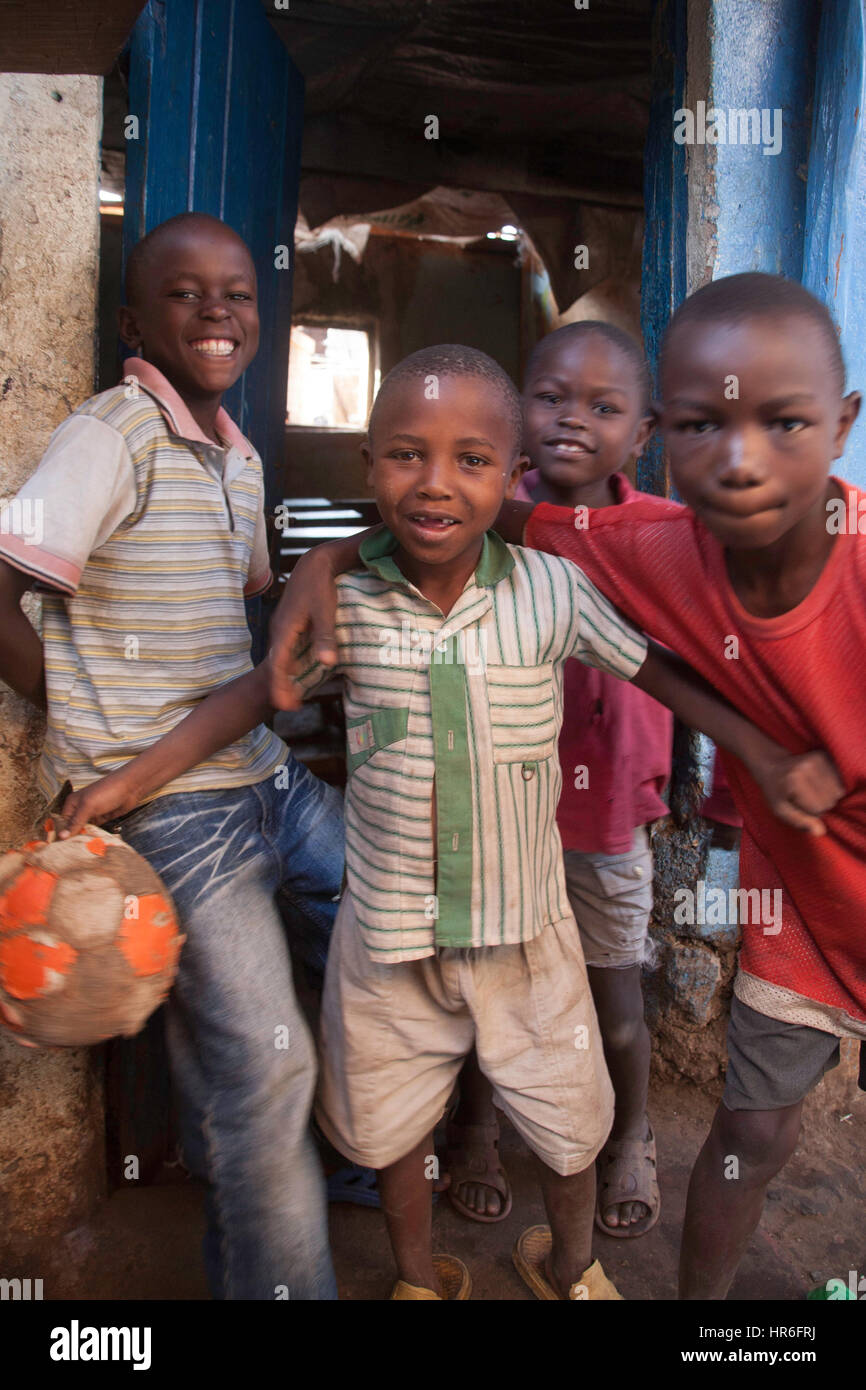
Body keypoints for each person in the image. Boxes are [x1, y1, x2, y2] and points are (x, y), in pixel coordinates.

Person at [63, 343, 844, 1302]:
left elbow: (657, 671)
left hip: (530, 936)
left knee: (568, 1123)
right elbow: (254, 696)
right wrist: (124, 783)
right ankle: (416, 1278)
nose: (436, 485)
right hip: (388, 941)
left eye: (472, 461)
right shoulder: (344, 603)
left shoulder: (551, 592)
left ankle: (570, 1264)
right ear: (367, 465)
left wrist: (758, 751)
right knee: (393, 1126)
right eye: (406, 455)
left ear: (510, 472)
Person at [496, 272, 866, 1299]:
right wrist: (330, 558)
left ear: (840, 426)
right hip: (797, 915)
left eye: (783, 421)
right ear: (664, 438)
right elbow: (488, 514)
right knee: (748, 1131)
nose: (740, 460)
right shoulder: (655, 547)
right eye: (703, 424)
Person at [0, 212, 342, 1301]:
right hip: (171, 814)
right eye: (185, 294)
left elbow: (224, 610)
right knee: (270, 1068)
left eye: (237, 293)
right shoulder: (112, 431)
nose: (217, 313)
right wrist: (90, 706)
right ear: (131, 321)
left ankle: (289, 1131)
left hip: (263, 777)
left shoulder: (237, 457)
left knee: (411, 900)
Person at [444, 321, 672, 1236]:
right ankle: (477, 1126)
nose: (573, 419)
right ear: (516, 410)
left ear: (644, 431)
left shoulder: (657, 537)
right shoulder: (475, 516)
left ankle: (632, 1134)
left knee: (617, 997)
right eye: (550, 398)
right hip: (498, 809)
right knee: (480, 981)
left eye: (604, 406)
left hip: (608, 813)